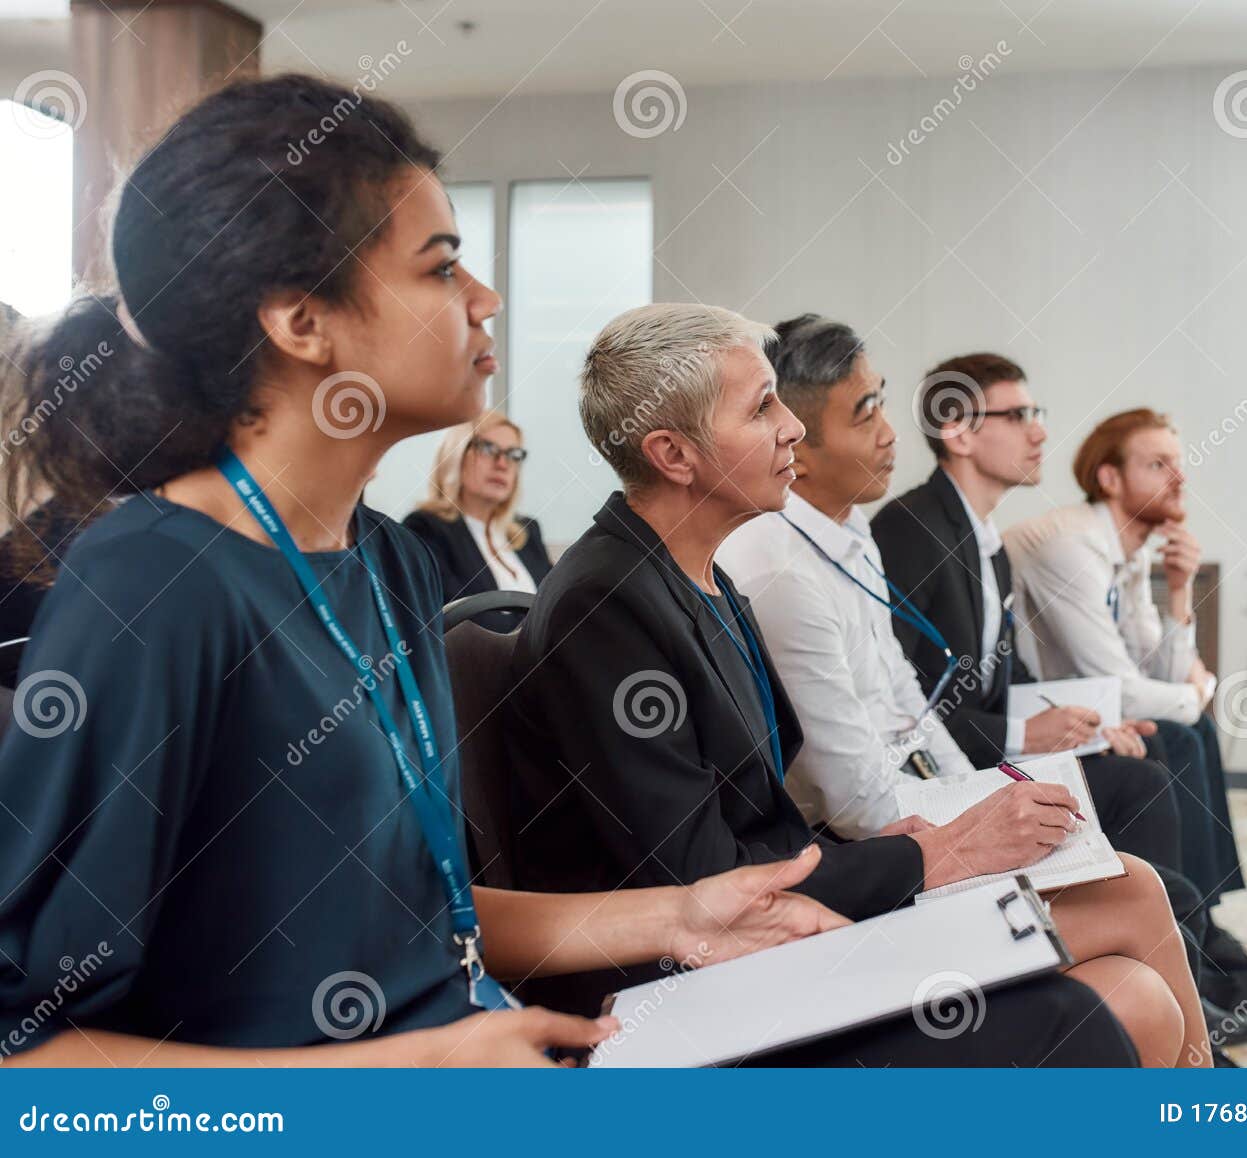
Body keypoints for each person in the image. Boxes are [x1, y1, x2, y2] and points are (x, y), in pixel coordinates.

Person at [0, 74, 847, 1067]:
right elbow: (34, 1064)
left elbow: (418, 908)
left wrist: (677, 917)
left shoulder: (389, 560)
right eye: (441, 268)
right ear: (299, 321)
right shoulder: (157, 579)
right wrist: (401, 1071)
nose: (484, 301)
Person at [504, 302, 1211, 1067]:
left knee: (1136, 897)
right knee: (1128, 997)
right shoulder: (606, 604)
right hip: (690, 986)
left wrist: (924, 845)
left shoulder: (701, 575)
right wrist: (933, 857)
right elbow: (703, 878)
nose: (793, 429)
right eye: (762, 407)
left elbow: (761, 821)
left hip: (783, 914)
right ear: (675, 454)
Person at [1002, 405, 1247, 1003]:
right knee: (1181, 730)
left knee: (1194, 733)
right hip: (1026, 722)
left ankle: (1206, 928)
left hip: (1085, 707)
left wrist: (1183, 593)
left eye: (1179, 463)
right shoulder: (1072, 544)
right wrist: (1198, 692)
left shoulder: (1131, 552)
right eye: (1157, 464)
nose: (1179, 478)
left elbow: (1153, 666)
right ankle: (1188, 942)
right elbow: (1122, 684)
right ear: (1110, 478)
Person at [404, 411, 552, 612]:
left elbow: (558, 611)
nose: (502, 464)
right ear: (455, 455)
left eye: (513, 454)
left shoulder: (528, 531)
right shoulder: (425, 529)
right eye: (488, 448)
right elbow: (459, 621)